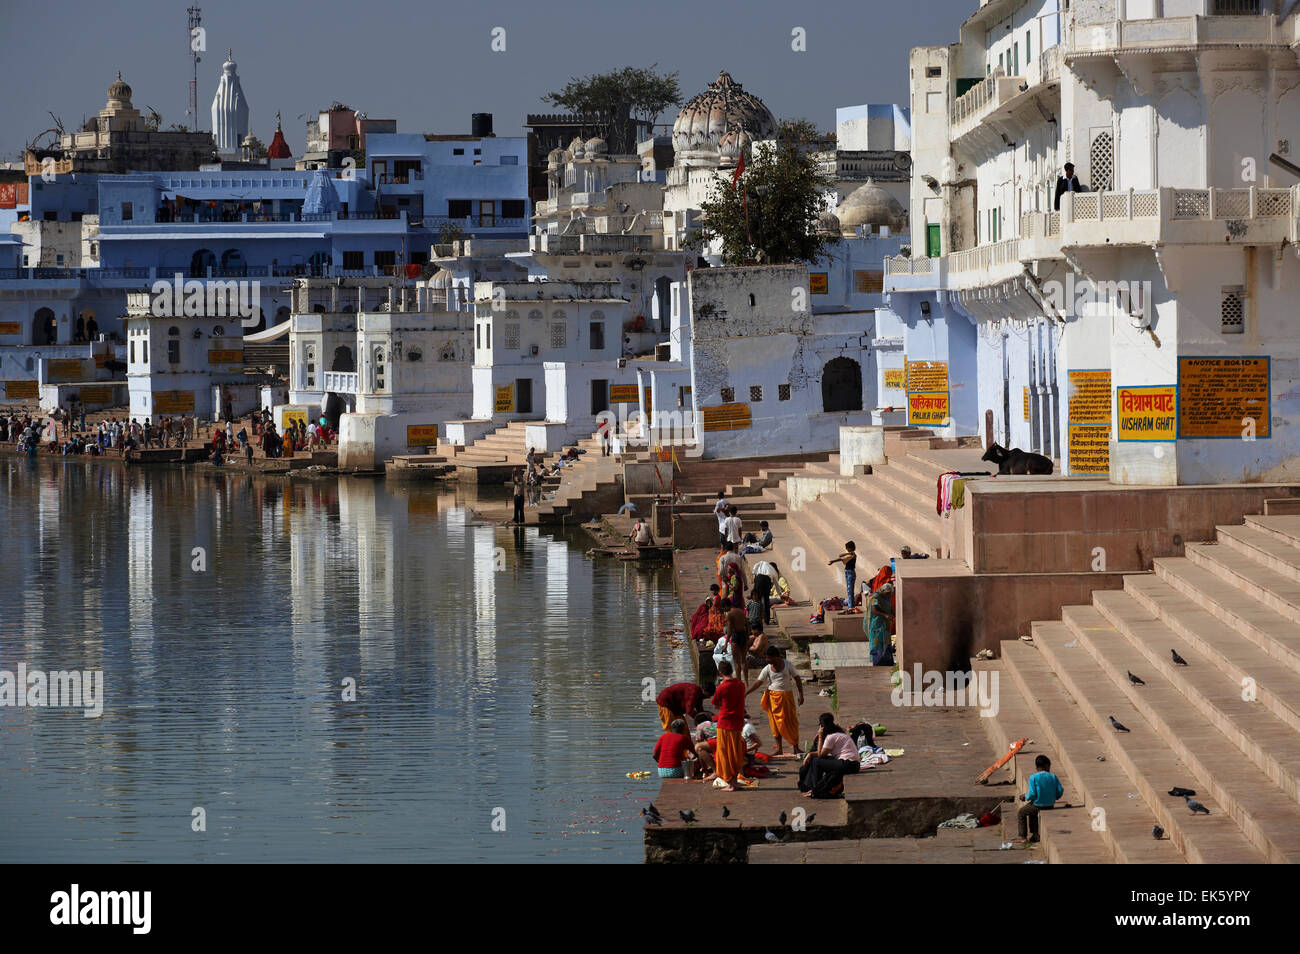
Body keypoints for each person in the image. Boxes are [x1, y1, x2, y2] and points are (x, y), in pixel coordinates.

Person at [746, 647, 804, 757]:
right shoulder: (767, 668)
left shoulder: (787, 665)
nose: (767, 660)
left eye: (769, 657)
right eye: (766, 658)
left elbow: (797, 678)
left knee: (791, 722)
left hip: (787, 697)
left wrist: (801, 694)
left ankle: (796, 748)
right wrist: (746, 693)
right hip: (773, 698)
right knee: (775, 725)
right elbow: (758, 683)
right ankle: (779, 749)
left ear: (776, 656)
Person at [798, 713, 861, 798]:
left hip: (848, 764)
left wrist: (820, 736)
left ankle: (815, 789)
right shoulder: (838, 732)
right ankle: (813, 787)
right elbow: (824, 752)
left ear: (822, 726)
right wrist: (810, 754)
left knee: (817, 761)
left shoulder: (831, 737)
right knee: (815, 759)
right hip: (852, 764)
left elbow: (821, 755)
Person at [711, 660, 747, 792]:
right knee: (736, 752)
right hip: (737, 723)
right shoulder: (741, 685)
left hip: (725, 723)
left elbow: (715, 703)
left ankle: (730, 783)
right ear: (731, 670)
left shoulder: (722, 687)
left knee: (725, 753)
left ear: (720, 673)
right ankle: (734, 781)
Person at [1015, 755, 1064, 844]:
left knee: (1021, 812)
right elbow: (1060, 790)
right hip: (1050, 805)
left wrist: (1025, 796)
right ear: (1046, 766)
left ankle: (1023, 836)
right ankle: (1035, 834)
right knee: (1031, 809)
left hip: (1038, 805)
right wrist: (1055, 797)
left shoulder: (1033, 777)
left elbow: (1032, 794)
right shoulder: (1053, 776)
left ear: (1037, 767)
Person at [867, 582, 896, 666]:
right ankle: (877, 660)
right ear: (883, 591)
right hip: (877, 624)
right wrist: (885, 615)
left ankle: (887, 660)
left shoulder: (887, 597)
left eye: (889, 594)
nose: (888, 595)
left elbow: (889, 607)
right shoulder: (875, 597)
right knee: (877, 642)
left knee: (886, 641)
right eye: (887, 593)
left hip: (885, 624)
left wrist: (892, 614)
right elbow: (874, 610)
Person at [828, 541, 858, 608]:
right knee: (849, 590)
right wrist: (847, 553)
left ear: (850, 548)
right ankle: (851, 605)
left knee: (850, 590)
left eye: (847, 548)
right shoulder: (849, 554)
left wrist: (833, 561)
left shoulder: (852, 555)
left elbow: (841, 558)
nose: (847, 549)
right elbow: (841, 555)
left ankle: (850, 607)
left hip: (850, 573)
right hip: (848, 572)